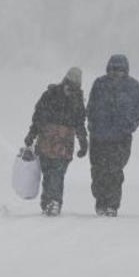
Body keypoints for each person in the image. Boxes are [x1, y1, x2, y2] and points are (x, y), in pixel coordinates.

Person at [24, 67, 88, 217]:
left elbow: (38, 116)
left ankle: (50, 202)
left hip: (48, 140)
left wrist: (32, 134)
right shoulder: (75, 98)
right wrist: (83, 140)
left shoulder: (51, 94)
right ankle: (51, 202)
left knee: (52, 172)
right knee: (55, 173)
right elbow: (79, 122)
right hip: (62, 143)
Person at [85, 54, 139, 217]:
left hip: (120, 139)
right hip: (99, 137)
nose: (116, 73)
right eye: (113, 69)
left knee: (115, 172)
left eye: (120, 70)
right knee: (98, 172)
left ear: (126, 70)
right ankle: (100, 201)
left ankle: (112, 205)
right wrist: (92, 125)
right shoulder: (99, 84)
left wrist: (129, 126)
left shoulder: (133, 87)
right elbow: (90, 106)